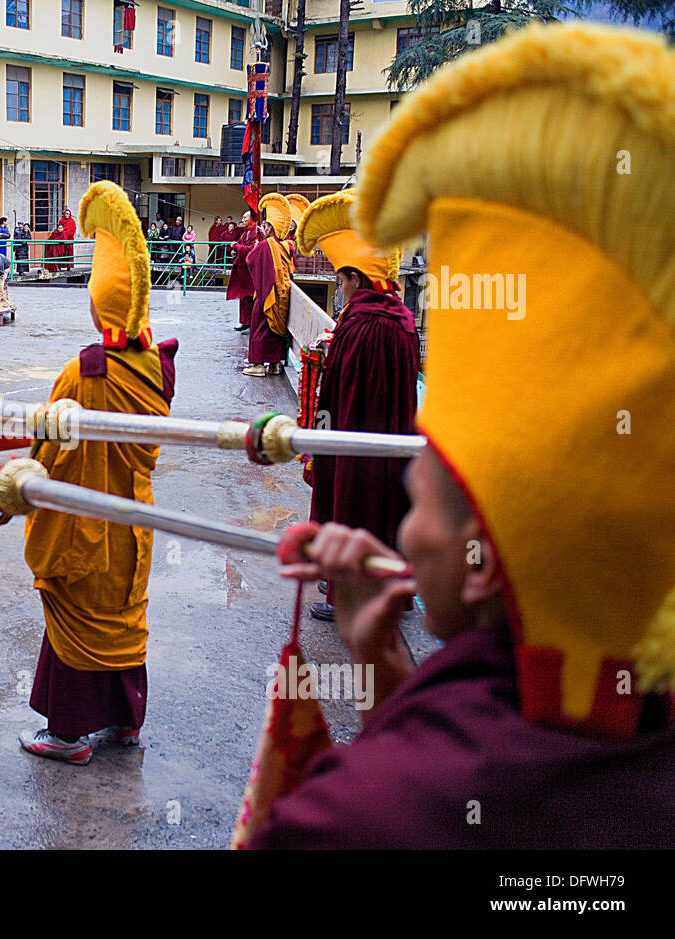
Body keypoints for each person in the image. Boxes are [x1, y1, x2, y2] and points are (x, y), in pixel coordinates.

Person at [246, 22, 675, 850]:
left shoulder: (371, 815)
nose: (404, 529)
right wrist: (382, 663)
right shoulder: (607, 690)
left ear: (483, 551)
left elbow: (416, 786)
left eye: (426, 496)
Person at [20, 181, 179, 766]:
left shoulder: (83, 373)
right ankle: (125, 724)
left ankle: (67, 735)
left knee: (78, 613)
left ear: (100, 305)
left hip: (84, 519)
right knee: (124, 615)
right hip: (134, 520)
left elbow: (48, 449)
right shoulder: (158, 368)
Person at [295, 190, 418, 622]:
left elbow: (347, 394)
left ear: (358, 279)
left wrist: (331, 445)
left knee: (358, 504)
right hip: (391, 442)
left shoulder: (367, 325)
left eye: (343, 280)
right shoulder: (399, 319)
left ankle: (349, 594)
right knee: (388, 508)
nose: (340, 289)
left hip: (357, 442)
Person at [240, 194, 294, 376]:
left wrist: (261, 242)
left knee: (260, 326)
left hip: (266, 293)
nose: (262, 228)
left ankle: (258, 366)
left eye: (265, 225)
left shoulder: (268, 245)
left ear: (270, 228)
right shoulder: (283, 245)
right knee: (273, 330)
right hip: (280, 293)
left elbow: (251, 260)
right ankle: (274, 364)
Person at [225, 209, 260, 331]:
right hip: (242, 270)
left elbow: (251, 250)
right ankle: (245, 322)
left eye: (245, 218)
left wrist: (236, 246)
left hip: (250, 271)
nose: (243, 220)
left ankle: (252, 323)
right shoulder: (245, 233)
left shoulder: (256, 233)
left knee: (250, 297)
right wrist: (235, 250)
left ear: (251, 219)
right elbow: (240, 245)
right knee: (243, 297)